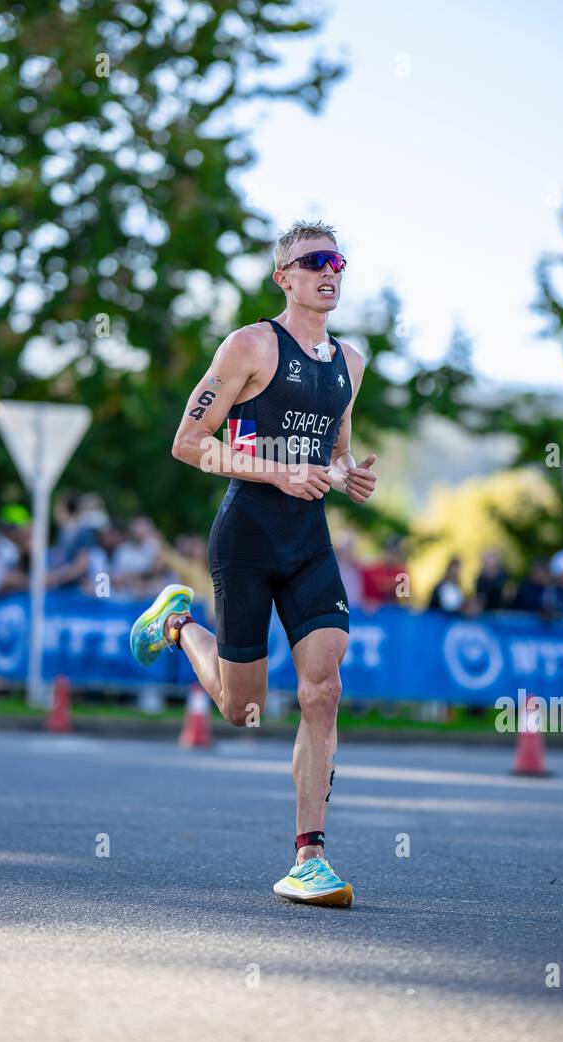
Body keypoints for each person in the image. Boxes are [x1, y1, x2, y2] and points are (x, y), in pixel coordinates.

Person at [129, 219, 377, 907]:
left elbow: (335, 451)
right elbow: (188, 442)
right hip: (246, 536)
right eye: (314, 261)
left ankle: (309, 856)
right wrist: (273, 471)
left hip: (310, 540)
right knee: (242, 709)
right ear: (285, 277)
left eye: (339, 261)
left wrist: (348, 474)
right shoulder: (250, 344)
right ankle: (178, 624)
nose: (330, 271)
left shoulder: (351, 362)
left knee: (321, 687)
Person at [361, 534, 410, 608]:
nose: (392, 556)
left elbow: (405, 599)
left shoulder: (402, 573)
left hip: (394, 611)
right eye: (390, 552)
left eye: (396, 553)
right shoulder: (373, 570)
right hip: (375, 611)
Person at [475, 547, 509, 612]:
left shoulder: (504, 576)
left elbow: (508, 597)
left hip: (502, 613)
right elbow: (481, 598)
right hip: (486, 613)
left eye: (492, 557)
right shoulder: (481, 579)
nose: (490, 561)